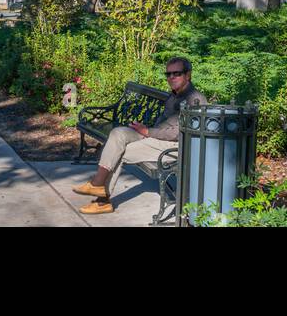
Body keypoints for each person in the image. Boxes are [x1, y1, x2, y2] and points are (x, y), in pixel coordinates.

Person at [72, 56, 206, 215]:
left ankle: (102, 199)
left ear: (188, 75)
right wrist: (145, 130)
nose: (171, 77)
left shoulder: (195, 100)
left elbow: (178, 133)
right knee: (118, 133)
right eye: (168, 74)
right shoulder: (175, 94)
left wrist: (148, 132)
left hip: (175, 146)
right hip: (156, 136)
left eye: (176, 73)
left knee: (119, 151)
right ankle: (98, 185)